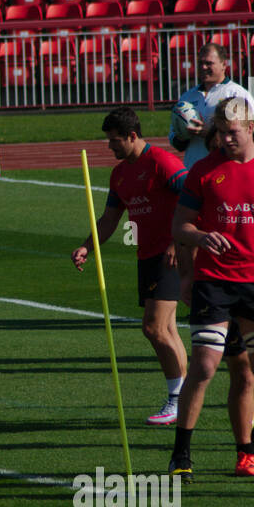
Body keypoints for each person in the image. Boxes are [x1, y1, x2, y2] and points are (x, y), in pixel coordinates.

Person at [168, 98, 254, 483]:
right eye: (221, 132)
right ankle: (181, 455)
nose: (226, 139)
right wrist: (200, 235)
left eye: (233, 132)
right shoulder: (202, 171)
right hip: (214, 282)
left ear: (251, 129)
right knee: (205, 366)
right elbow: (179, 226)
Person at [72, 107, 188, 425]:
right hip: (147, 256)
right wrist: (87, 246)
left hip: (171, 255)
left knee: (153, 327)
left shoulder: (163, 163)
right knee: (167, 329)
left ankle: (177, 399)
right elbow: (110, 219)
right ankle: (186, 395)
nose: (110, 147)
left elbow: (194, 199)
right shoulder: (120, 174)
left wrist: (178, 243)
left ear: (132, 136)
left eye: (114, 141)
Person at [168, 43, 254, 168]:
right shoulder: (187, 97)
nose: (203, 67)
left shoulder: (238, 94)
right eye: (200, 63)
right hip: (194, 171)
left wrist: (209, 134)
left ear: (223, 65)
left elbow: (251, 136)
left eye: (209, 63)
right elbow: (174, 140)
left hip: (226, 170)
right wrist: (183, 134)